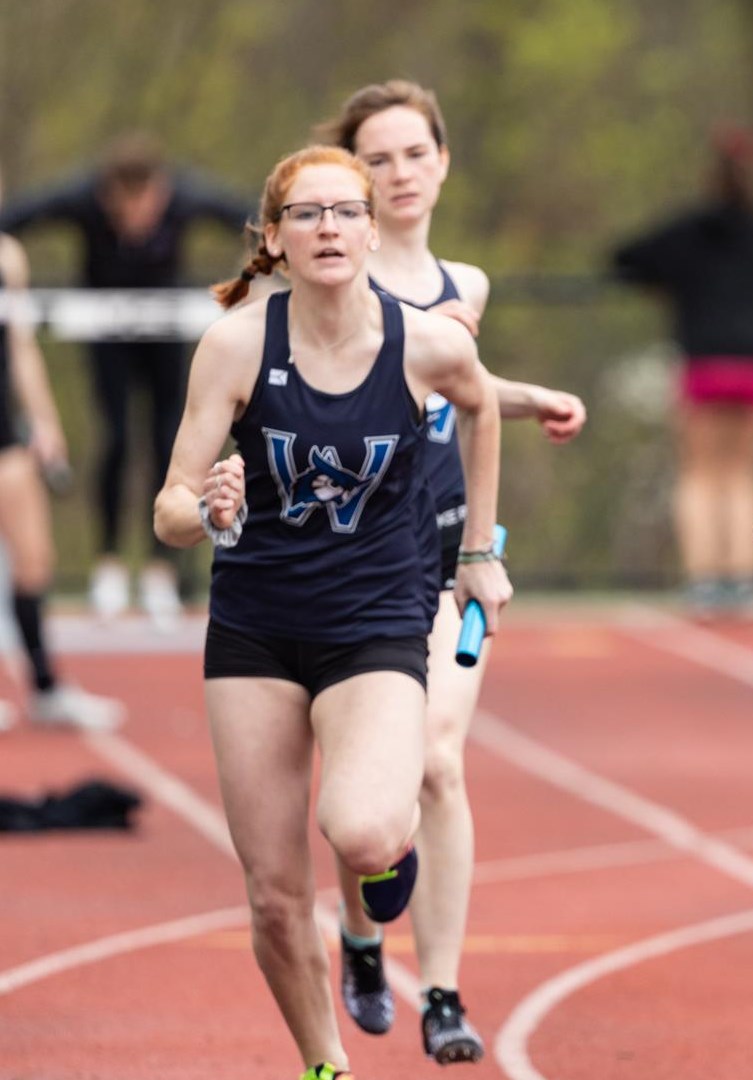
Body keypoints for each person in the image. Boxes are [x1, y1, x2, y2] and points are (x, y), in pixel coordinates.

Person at [154, 145, 510, 1080]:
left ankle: (385, 868)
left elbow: (482, 407)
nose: (328, 229)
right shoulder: (236, 344)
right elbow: (169, 509)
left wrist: (477, 551)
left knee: (362, 831)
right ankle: (325, 1064)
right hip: (255, 628)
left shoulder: (423, 343)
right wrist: (209, 509)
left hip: (375, 622)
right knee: (274, 897)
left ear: (371, 230)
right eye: (306, 214)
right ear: (273, 238)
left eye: (346, 212)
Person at [317, 78, 586, 1064]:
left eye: (414, 154)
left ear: (442, 163)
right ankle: (360, 938)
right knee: (367, 787)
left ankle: (441, 992)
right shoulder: (328, 279)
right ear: (352, 176)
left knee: (436, 758)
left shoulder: (464, 285)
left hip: (437, 557)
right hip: (344, 561)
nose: (399, 174)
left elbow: (455, 388)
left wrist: (528, 396)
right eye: (377, 159)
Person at [0, 134, 252, 623]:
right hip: (107, 337)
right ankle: (109, 565)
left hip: (167, 337)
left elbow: (250, 217)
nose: (135, 217)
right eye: (124, 207)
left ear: (161, 191)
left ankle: (162, 571)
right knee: (115, 438)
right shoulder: (84, 199)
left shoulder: (184, 197)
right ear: (109, 195)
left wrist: (253, 272)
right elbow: (23, 214)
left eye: (145, 205)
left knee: (167, 439)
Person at [612, 128, 753, 616]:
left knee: (700, 474)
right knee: (740, 472)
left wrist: (671, 287)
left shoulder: (687, 232)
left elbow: (624, 259)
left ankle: (704, 578)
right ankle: (742, 579)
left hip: (704, 363)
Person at [0, 168, 124, 730]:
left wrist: (45, 421)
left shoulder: (9, 257)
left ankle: (45, 688)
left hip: (6, 433)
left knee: (33, 560)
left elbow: (21, 347)